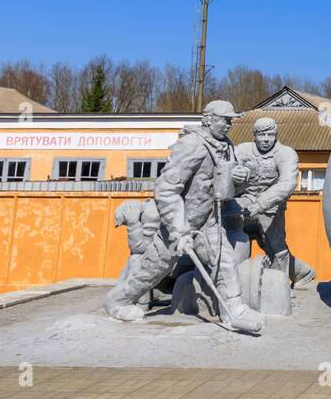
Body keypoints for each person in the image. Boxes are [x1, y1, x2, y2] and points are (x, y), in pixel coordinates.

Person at [103, 100, 263, 333]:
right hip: (180, 224)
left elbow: (226, 190)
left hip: (208, 220)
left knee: (224, 261)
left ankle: (234, 309)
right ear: (208, 119)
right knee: (154, 268)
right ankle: (117, 302)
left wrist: (241, 178)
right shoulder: (192, 145)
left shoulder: (226, 146)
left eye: (231, 120)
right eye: (224, 120)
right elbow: (167, 189)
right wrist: (178, 230)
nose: (229, 124)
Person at [234, 117, 315, 288]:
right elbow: (225, 168)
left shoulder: (286, 154)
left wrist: (260, 205)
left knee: (276, 249)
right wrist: (235, 174)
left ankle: (279, 288)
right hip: (245, 203)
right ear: (254, 135)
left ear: (276, 135)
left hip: (271, 207)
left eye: (270, 134)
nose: (265, 139)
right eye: (262, 134)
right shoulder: (241, 150)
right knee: (236, 241)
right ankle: (237, 283)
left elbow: (287, 183)